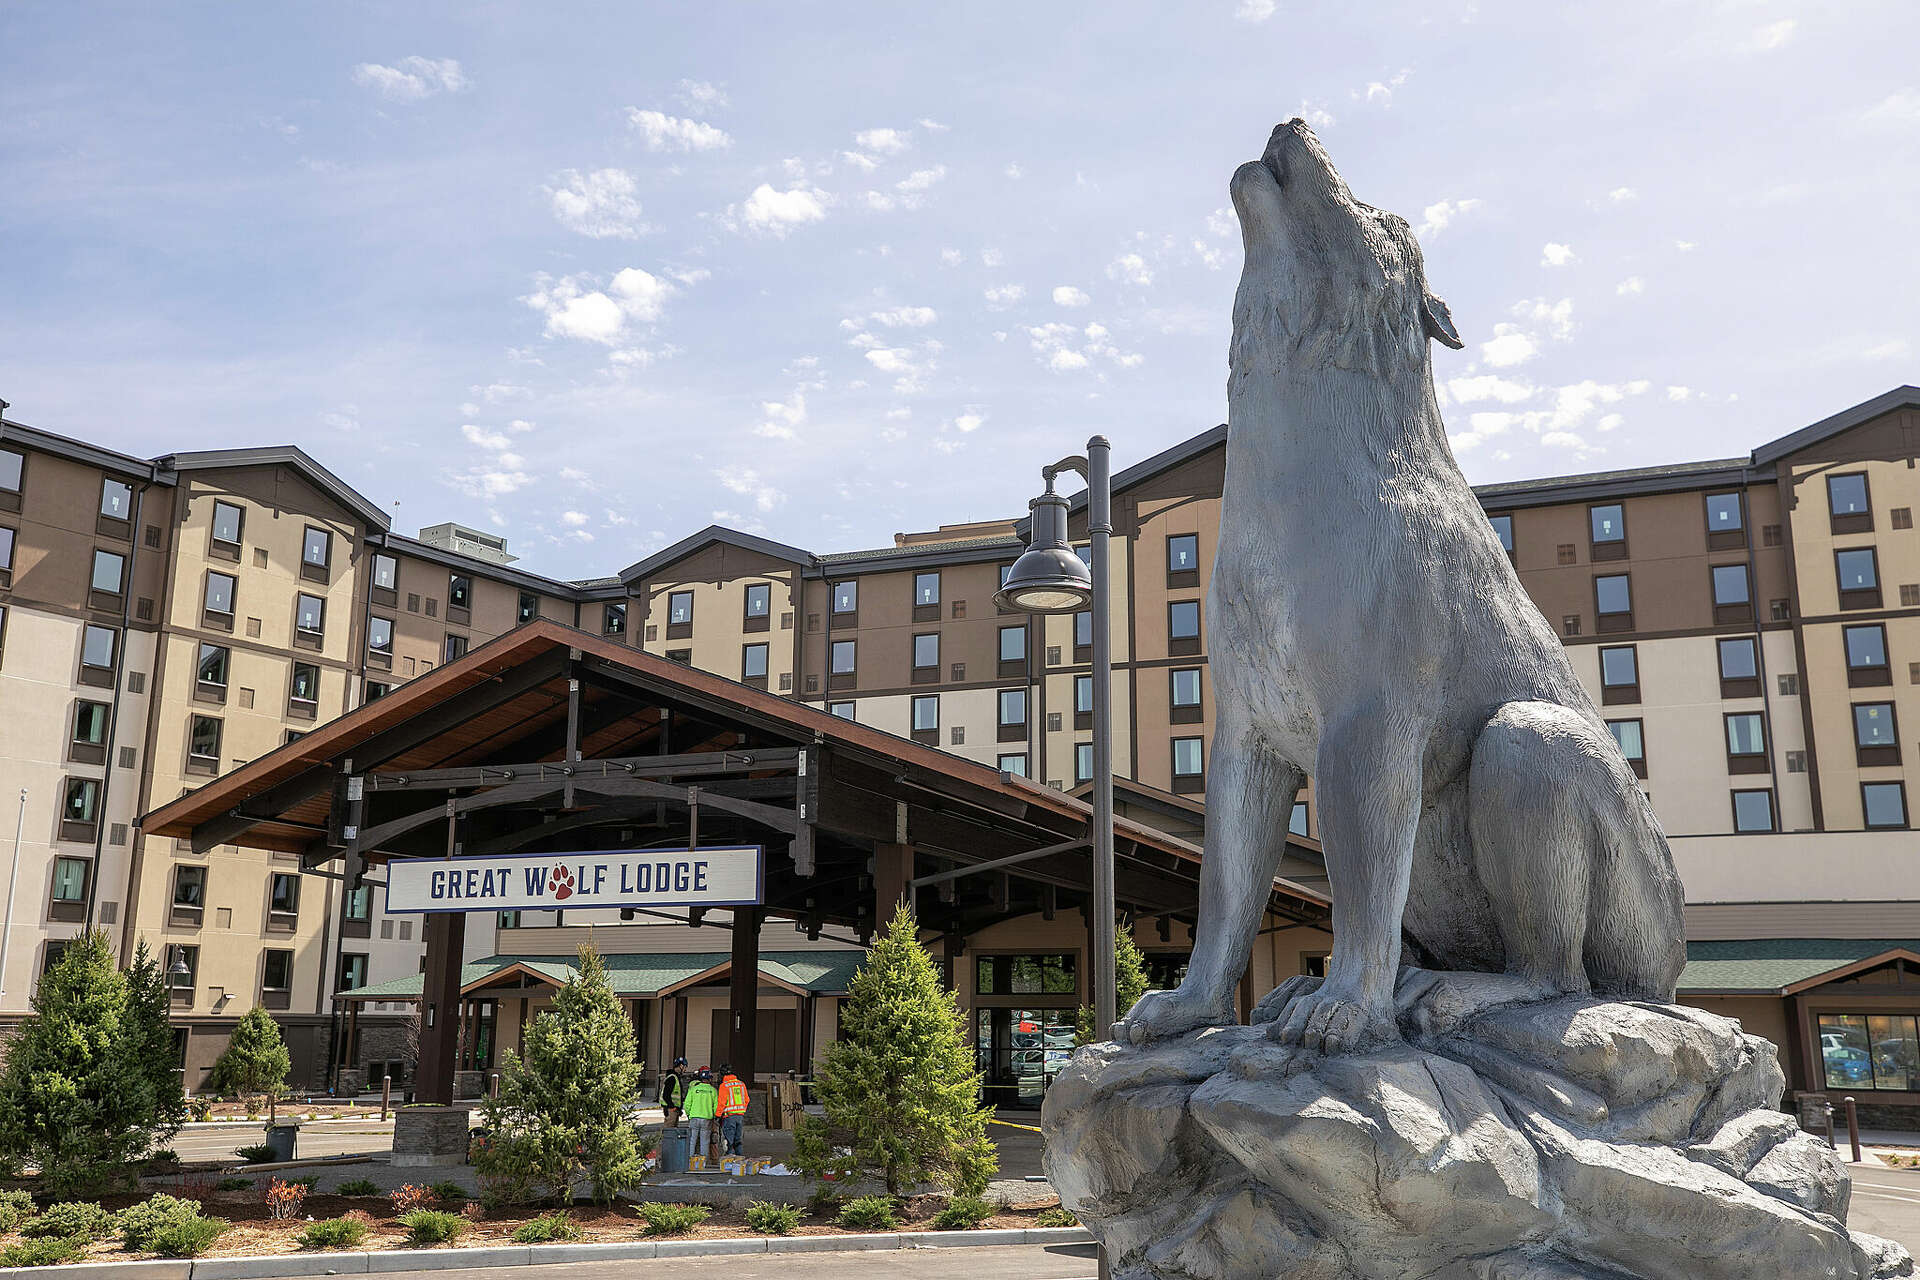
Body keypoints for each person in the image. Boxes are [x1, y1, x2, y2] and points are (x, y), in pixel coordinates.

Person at [682, 1068, 718, 1163]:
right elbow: (716, 1106)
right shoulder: (713, 1091)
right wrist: (714, 1116)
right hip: (707, 1119)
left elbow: (687, 1104)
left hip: (694, 1118)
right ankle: (703, 1163)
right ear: (710, 1079)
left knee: (692, 1141)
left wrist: (689, 1114)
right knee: (704, 1142)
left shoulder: (694, 1089)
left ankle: (689, 1162)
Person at [718, 1065, 749, 1156]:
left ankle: (729, 1162)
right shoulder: (741, 1084)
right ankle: (739, 1161)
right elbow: (747, 1100)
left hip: (729, 1116)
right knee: (738, 1141)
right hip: (739, 1116)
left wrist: (717, 1115)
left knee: (729, 1142)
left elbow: (721, 1103)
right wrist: (741, 1110)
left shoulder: (724, 1086)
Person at [659, 1057, 688, 1129]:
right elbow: (666, 1095)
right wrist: (672, 1107)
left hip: (674, 1109)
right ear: (681, 1066)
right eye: (685, 1067)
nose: (685, 1069)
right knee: (669, 1130)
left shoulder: (675, 1077)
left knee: (672, 1131)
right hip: (670, 1109)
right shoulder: (672, 1078)